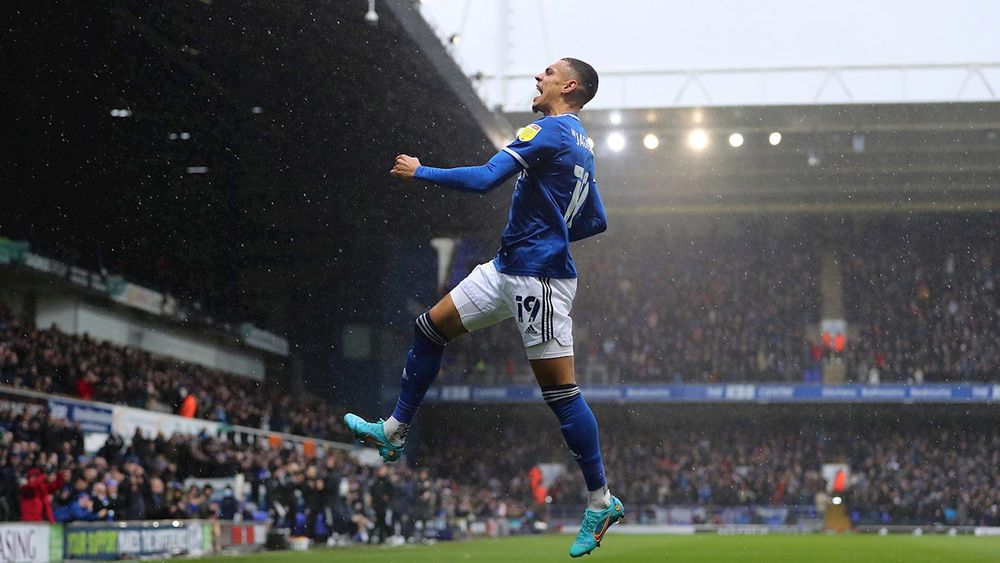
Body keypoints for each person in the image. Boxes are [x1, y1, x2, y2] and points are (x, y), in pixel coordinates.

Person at [345, 58, 624, 557]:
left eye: (548, 72)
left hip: (537, 277)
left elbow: (482, 180)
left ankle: (600, 500)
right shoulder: (585, 145)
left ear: (570, 86)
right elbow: (596, 218)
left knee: (561, 394)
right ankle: (394, 430)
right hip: (507, 267)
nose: (538, 78)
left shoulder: (549, 130)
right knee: (429, 329)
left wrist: (419, 170)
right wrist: (554, 228)